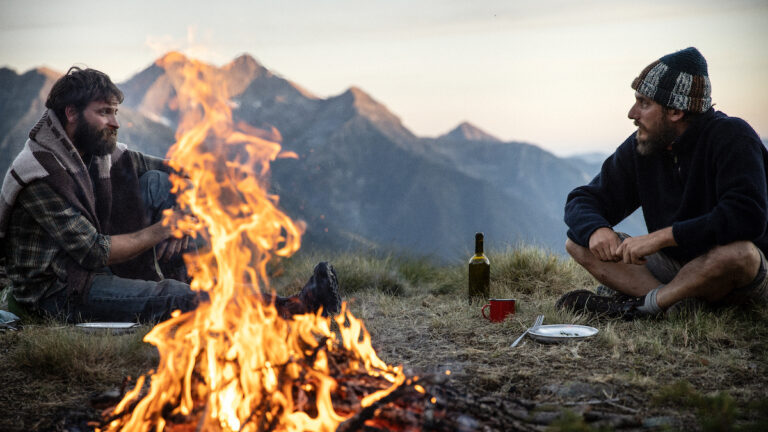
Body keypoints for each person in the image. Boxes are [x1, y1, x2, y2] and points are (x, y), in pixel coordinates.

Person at [0, 66, 341, 323]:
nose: (115, 123)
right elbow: (93, 251)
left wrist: (209, 188)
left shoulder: (90, 151)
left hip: (88, 264)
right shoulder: (42, 174)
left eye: (115, 112)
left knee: (158, 183)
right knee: (171, 298)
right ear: (71, 114)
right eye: (104, 112)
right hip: (59, 290)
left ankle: (189, 277)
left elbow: (169, 169)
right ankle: (290, 308)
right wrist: (164, 229)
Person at [559, 47, 768, 319]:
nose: (632, 113)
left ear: (675, 112)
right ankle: (673, 307)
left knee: (739, 253)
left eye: (644, 103)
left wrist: (660, 238)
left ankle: (645, 306)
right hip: (676, 267)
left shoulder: (732, 137)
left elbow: (747, 216)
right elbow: (583, 200)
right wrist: (597, 229)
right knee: (578, 242)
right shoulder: (643, 147)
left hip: (739, 273)